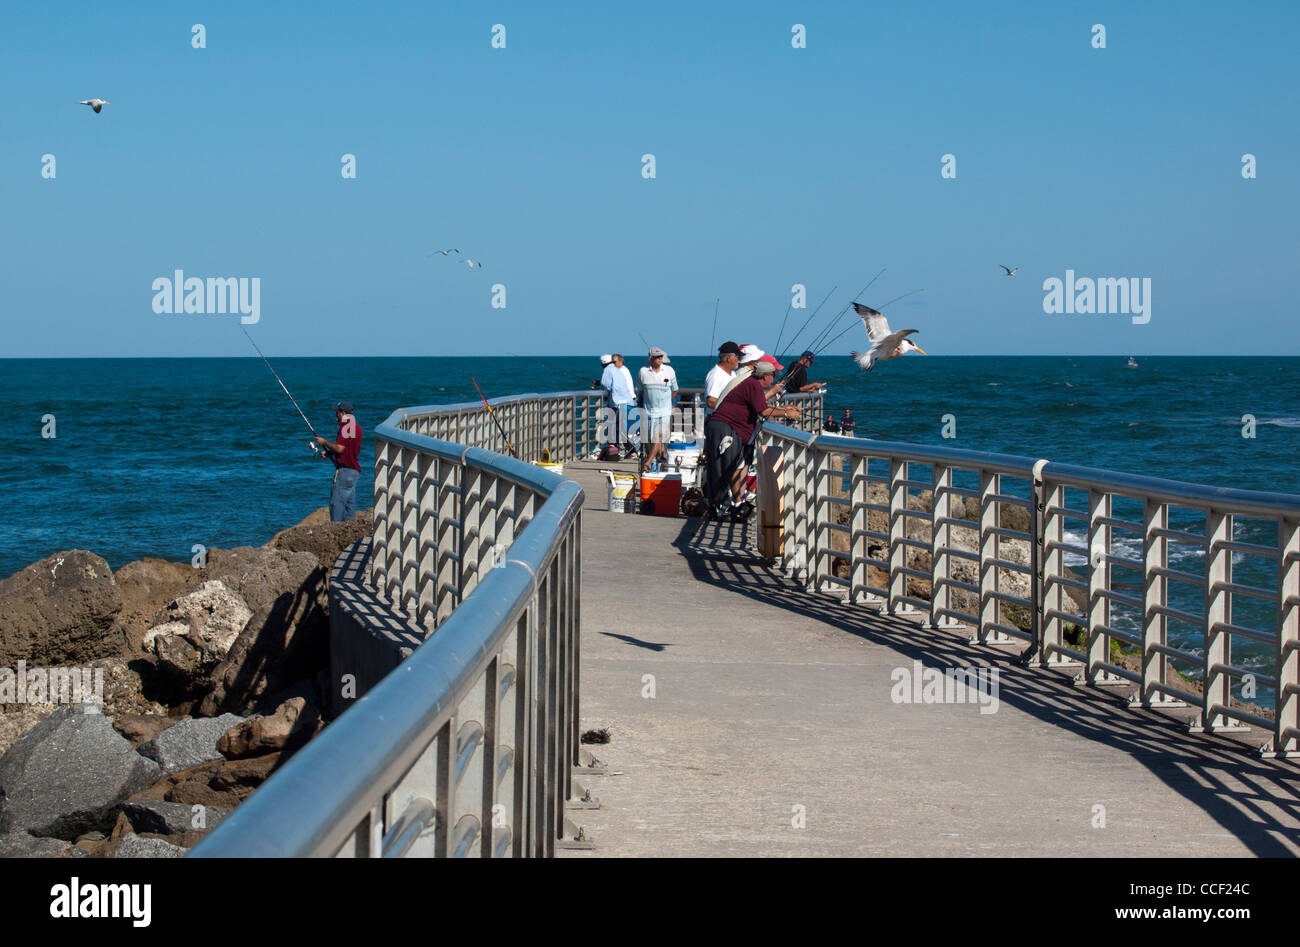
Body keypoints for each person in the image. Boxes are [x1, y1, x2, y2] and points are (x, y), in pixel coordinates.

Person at [706, 361, 797, 519]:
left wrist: (784, 409)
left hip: (725, 428)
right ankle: (718, 507)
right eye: (773, 376)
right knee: (723, 468)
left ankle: (723, 505)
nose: (773, 380)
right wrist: (786, 414)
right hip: (726, 429)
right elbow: (763, 411)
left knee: (726, 467)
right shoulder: (753, 385)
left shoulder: (751, 384)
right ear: (766, 376)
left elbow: (760, 406)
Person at [316, 400, 363, 521]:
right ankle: (349, 534)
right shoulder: (356, 427)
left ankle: (336, 531)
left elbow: (340, 448)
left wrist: (324, 442)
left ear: (342, 413)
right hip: (354, 471)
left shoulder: (346, 426)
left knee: (336, 503)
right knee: (349, 505)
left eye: (337, 412)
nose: (335, 414)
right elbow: (347, 448)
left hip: (346, 471)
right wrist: (330, 452)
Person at [638, 346, 678, 472]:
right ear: (651, 358)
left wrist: (669, 403)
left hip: (664, 412)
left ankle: (648, 463)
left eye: (661, 356)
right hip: (649, 412)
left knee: (657, 436)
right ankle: (662, 455)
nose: (659, 359)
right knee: (652, 440)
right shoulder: (643, 372)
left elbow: (675, 389)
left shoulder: (669, 371)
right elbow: (641, 390)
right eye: (656, 357)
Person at [601, 353, 639, 456]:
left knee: (614, 427)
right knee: (623, 428)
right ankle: (631, 450)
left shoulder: (608, 369)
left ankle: (614, 450)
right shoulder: (622, 370)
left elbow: (606, 385)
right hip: (629, 401)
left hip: (617, 402)